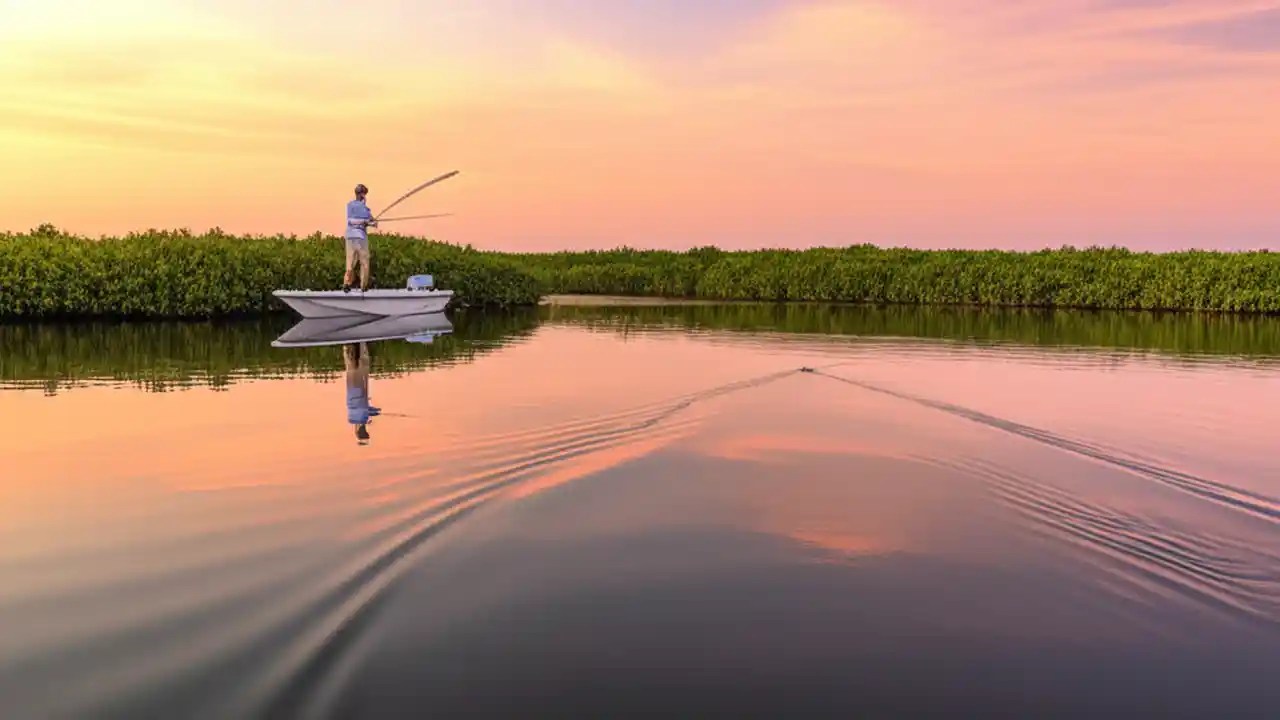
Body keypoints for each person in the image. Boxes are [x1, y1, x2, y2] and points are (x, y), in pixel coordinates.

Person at [344, 342, 382, 444]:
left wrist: (376, 412)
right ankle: (350, 345)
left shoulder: (363, 418)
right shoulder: (353, 418)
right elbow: (365, 410)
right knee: (351, 367)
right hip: (352, 392)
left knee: (362, 365)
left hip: (359, 392)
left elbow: (365, 410)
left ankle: (359, 343)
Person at [344, 184, 377, 292]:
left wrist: (370, 222)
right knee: (364, 261)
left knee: (350, 262)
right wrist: (370, 222)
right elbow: (371, 221)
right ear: (363, 194)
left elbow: (351, 220)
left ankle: (346, 284)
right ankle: (363, 286)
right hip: (360, 237)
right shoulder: (364, 208)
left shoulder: (349, 205)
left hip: (349, 237)